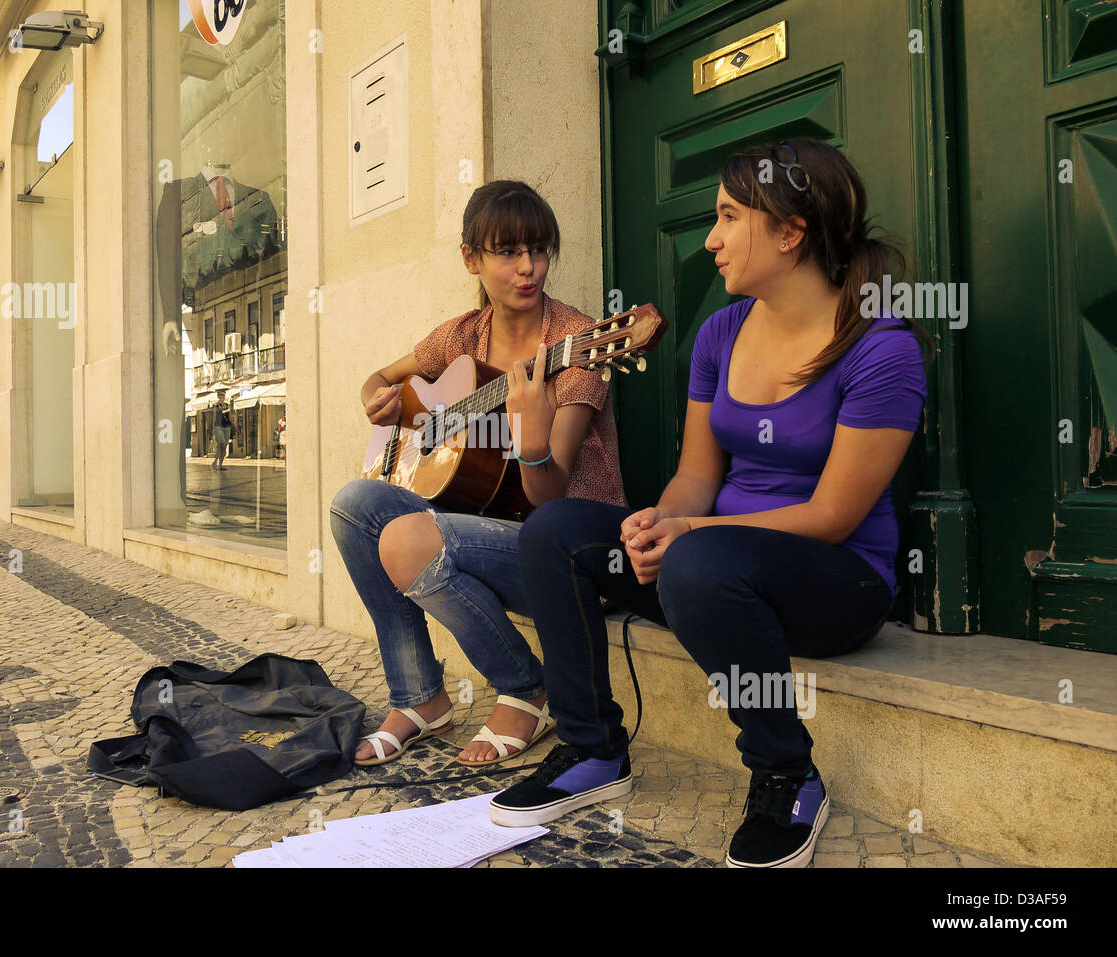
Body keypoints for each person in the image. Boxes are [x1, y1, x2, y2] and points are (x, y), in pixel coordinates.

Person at [490, 140, 933, 869]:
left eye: (728, 217)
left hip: (837, 579)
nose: (710, 239)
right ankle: (591, 749)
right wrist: (661, 519)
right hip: (712, 566)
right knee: (557, 528)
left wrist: (692, 531)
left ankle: (787, 774)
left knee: (697, 560)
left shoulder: (881, 348)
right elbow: (696, 475)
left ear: (791, 232)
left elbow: (832, 517)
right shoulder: (720, 333)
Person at [330, 180, 626, 767]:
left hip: (570, 555)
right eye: (508, 252)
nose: (529, 268)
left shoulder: (575, 345)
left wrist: (530, 435)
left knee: (408, 538)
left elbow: (548, 494)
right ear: (472, 258)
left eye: (539, 250)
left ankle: (527, 689)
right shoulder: (465, 335)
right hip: (491, 530)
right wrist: (379, 402)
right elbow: (381, 379)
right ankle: (419, 697)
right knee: (353, 505)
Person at [212, 390, 236, 470]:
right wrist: (213, 428)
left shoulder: (227, 405)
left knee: (224, 447)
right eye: (220, 395)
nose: (221, 397)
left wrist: (234, 426)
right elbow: (214, 417)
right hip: (218, 427)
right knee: (221, 445)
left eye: (223, 395)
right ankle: (215, 462)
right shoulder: (215, 406)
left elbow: (229, 417)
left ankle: (220, 465)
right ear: (218, 396)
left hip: (227, 427)